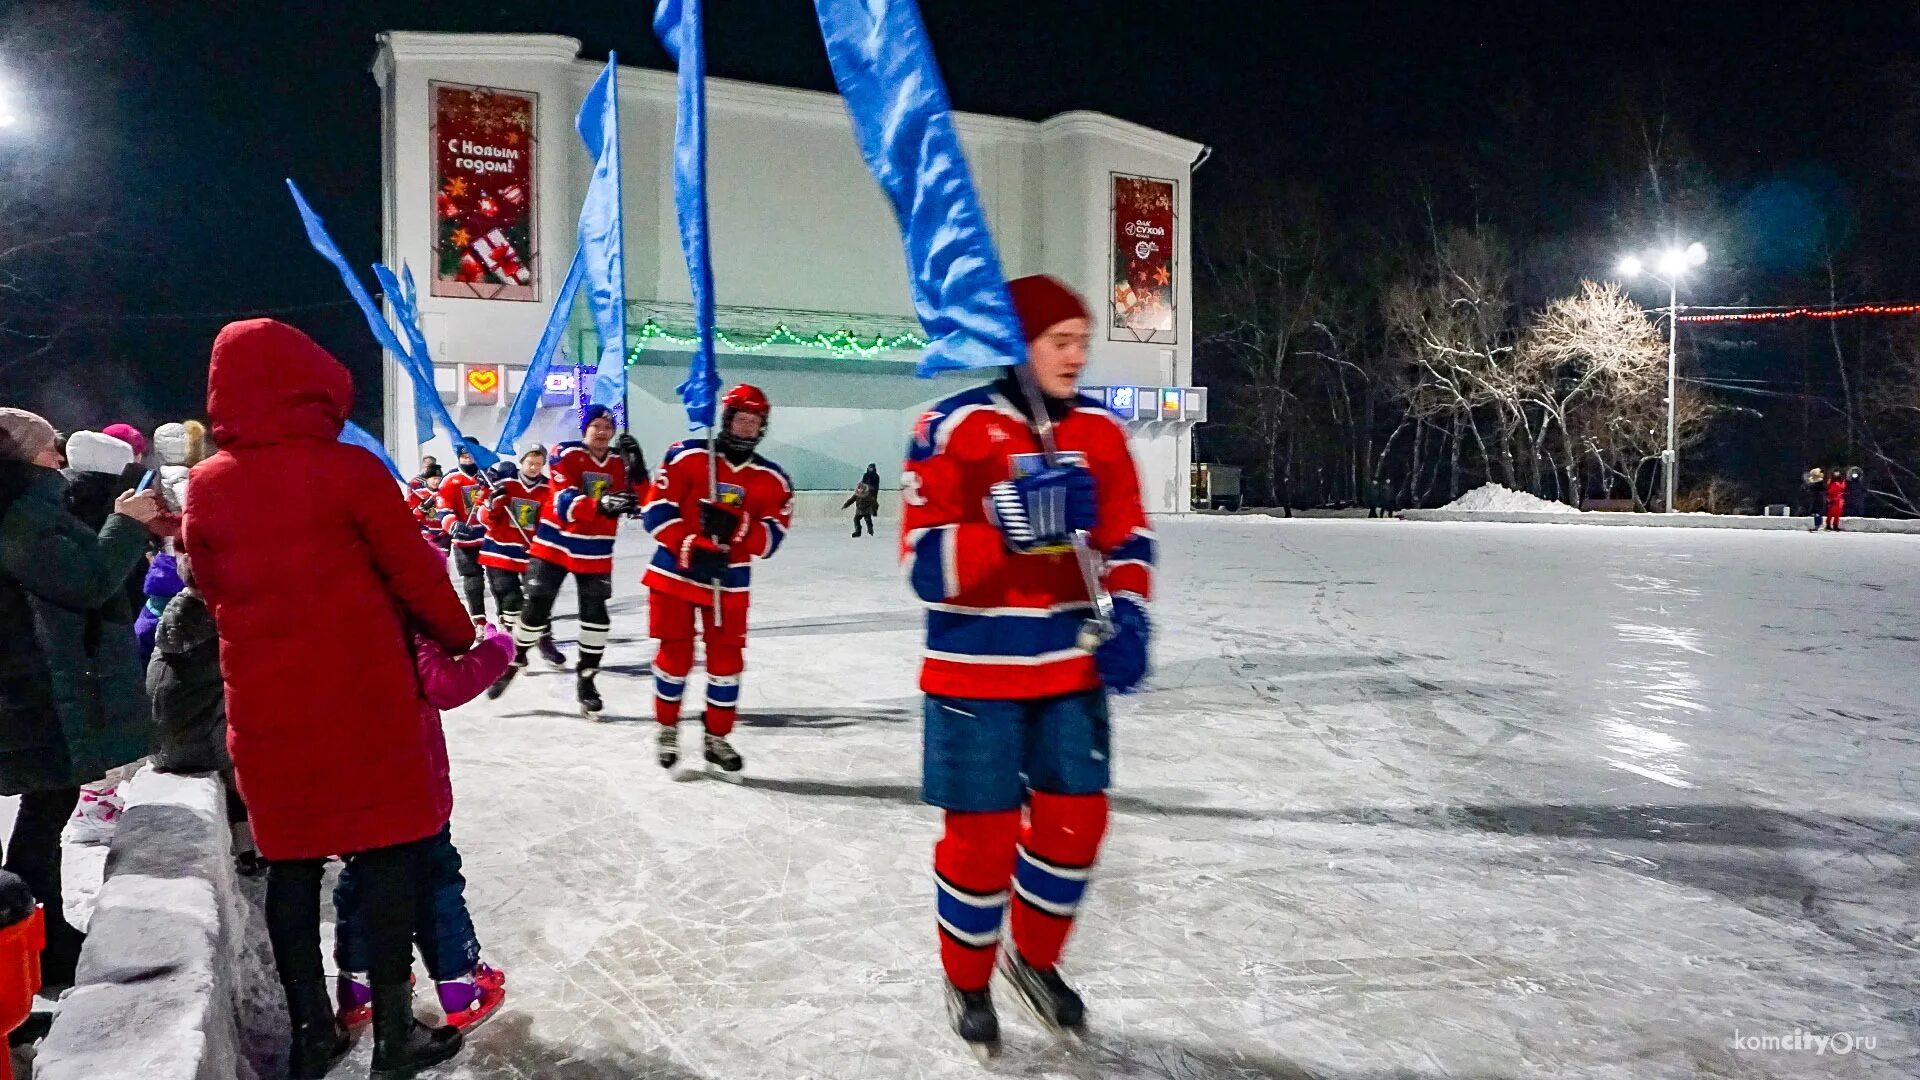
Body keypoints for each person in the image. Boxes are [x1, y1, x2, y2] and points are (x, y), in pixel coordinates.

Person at [184, 319, 473, 1078]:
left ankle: (312, 1033)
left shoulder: (206, 485)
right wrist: (458, 634)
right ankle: (394, 1038)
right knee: (385, 863)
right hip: (363, 701)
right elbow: (414, 570)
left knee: (292, 864)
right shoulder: (349, 470)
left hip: (267, 707)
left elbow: (210, 588)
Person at [899, 276, 1154, 1052]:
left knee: (1078, 824)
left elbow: (1127, 539)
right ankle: (967, 977)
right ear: (1018, 344)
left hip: (1069, 669)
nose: (1077, 356)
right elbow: (921, 564)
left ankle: (1032, 961)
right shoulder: (950, 427)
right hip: (973, 675)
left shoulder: (1101, 433)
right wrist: (1008, 527)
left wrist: (1131, 610)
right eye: (1059, 341)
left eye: (1083, 341)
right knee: (981, 840)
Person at [0, 407, 162, 987]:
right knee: (45, 808)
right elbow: (86, 581)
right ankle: (35, 942)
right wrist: (126, 524)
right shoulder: (21, 512)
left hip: (32, 682)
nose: (59, 457)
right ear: (27, 456)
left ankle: (39, 935)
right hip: (31, 685)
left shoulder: (30, 504)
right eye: (51, 448)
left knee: (49, 804)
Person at [333, 571, 514, 1035]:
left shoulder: (321, 611)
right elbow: (443, 684)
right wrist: (498, 648)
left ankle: (360, 985)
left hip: (346, 781)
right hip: (408, 783)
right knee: (434, 877)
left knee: (362, 878)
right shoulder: (398, 614)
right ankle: (460, 984)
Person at [639, 385, 795, 771]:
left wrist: (738, 527)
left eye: (754, 421)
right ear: (726, 420)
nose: (747, 427)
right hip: (674, 575)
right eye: (741, 419)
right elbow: (655, 511)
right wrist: (691, 545)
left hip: (729, 582)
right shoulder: (687, 455)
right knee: (674, 656)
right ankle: (667, 728)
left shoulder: (774, 479)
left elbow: (771, 539)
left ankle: (717, 737)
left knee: (726, 663)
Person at [490, 404, 638, 719]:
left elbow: (641, 499)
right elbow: (564, 500)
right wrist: (602, 505)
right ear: (585, 428)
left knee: (596, 617)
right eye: (596, 426)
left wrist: (638, 470)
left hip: (596, 549)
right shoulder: (565, 453)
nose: (602, 432)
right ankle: (515, 658)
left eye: (608, 427)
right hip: (554, 545)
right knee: (535, 608)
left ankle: (587, 682)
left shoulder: (618, 462)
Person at [145, 551, 263, 876]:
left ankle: (248, 846)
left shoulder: (178, 618)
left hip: (165, 744)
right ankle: (260, 845)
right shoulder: (216, 631)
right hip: (194, 747)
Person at [476, 449, 567, 668]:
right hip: (500, 552)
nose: (534, 468)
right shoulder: (503, 484)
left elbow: (553, 520)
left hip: (532, 553)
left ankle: (545, 641)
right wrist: (492, 504)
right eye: (530, 463)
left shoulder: (549, 488)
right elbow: (482, 518)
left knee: (538, 599)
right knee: (511, 600)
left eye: (539, 464)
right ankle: (511, 644)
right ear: (521, 462)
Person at [436, 448, 491, 621]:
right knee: (473, 579)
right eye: (464, 456)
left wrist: (491, 486)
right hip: (465, 538)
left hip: (492, 538)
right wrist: (453, 524)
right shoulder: (451, 479)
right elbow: (443, 508)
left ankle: (507, 619)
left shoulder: (490, 476)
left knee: (500, 580)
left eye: (471, 456)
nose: (467, 459)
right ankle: (479, 621)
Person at [408, 460, 448, 551]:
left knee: (442, 558)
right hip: (425, 535)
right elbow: (410, 517)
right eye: (434, 478)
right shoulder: (418, 493)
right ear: (427, 479)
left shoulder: (445, 493)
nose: (436, 481)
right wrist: (422, 507)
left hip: (443, 536)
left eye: (439, 478)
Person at [844, 463, 881, 538]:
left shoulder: (876, 476)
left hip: (872, 494)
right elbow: (852, 499)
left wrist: (869, 488)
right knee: (857, 519)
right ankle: (858, 531)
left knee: (868, 517)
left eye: (871, 468)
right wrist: (845, 505)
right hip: (862, 499)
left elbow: (875, 487)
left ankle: (870, 530)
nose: (870, 469)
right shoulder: (865, 475)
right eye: (869, 468)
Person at [1824, 467, 1848, 532]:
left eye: (1837, 472)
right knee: (1830, 512)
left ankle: (1835, 525)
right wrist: (1828, 498)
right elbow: (1828, 489)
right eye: (1835, 472)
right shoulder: (1831, 480)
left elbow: (1843, 488)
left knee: (1838, 513)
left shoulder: (1842, 480)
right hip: (1832, 498)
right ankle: (1828, 525)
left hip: (1839, 499)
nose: (1836, 473)